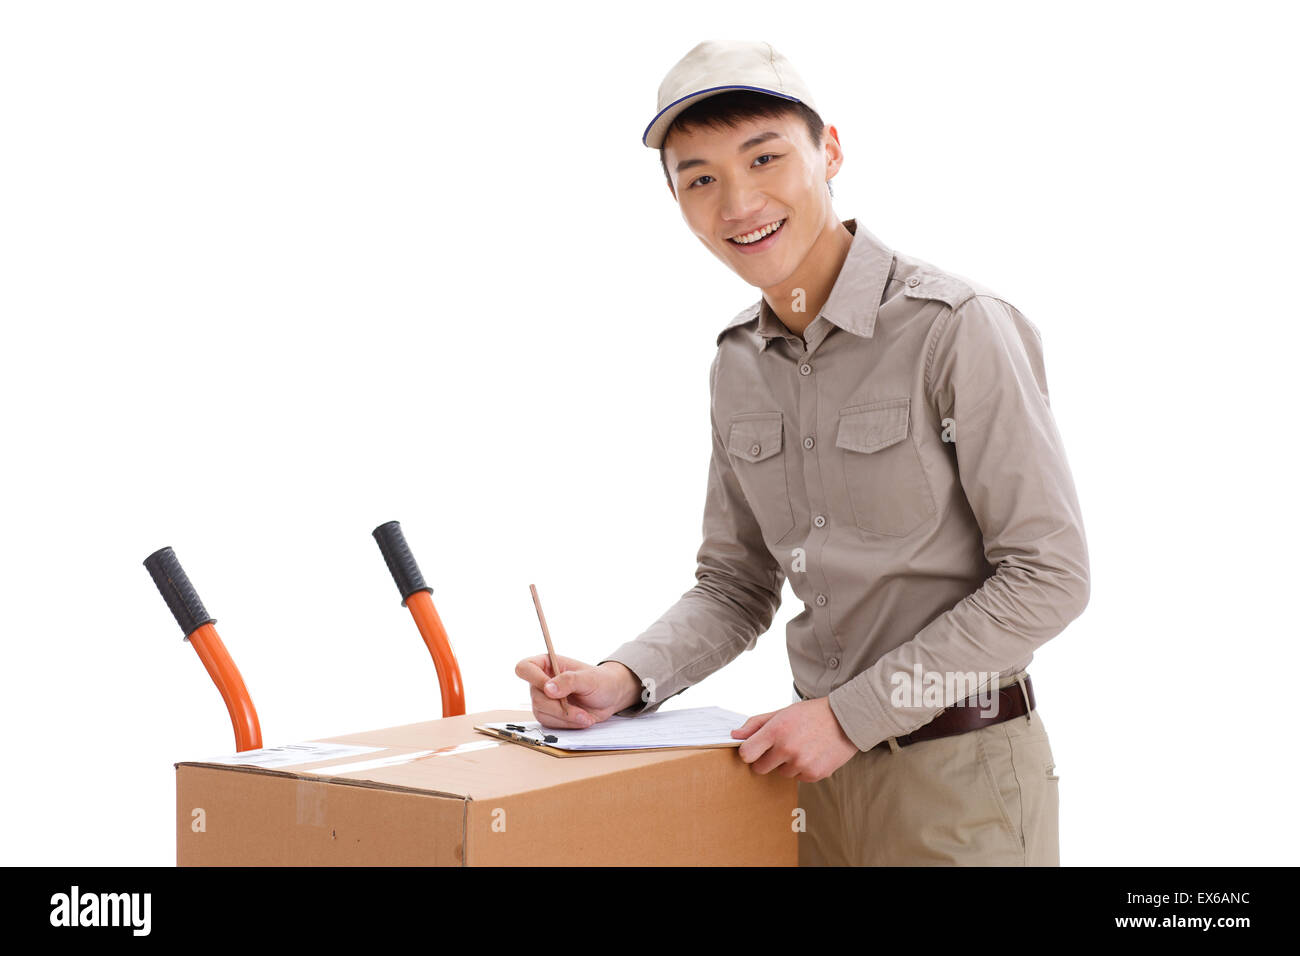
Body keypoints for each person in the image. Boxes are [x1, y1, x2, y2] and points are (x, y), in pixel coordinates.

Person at [514, 40, 1089, 866]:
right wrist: (624, 679)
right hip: (808, 788)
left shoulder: (956, 328)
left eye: (765, 158)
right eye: (700, 178)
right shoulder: (737, 364)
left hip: (962, 785)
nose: (738, 201)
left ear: (831, 152)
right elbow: (736, 586)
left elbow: (1049, 576)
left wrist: (853, 715)